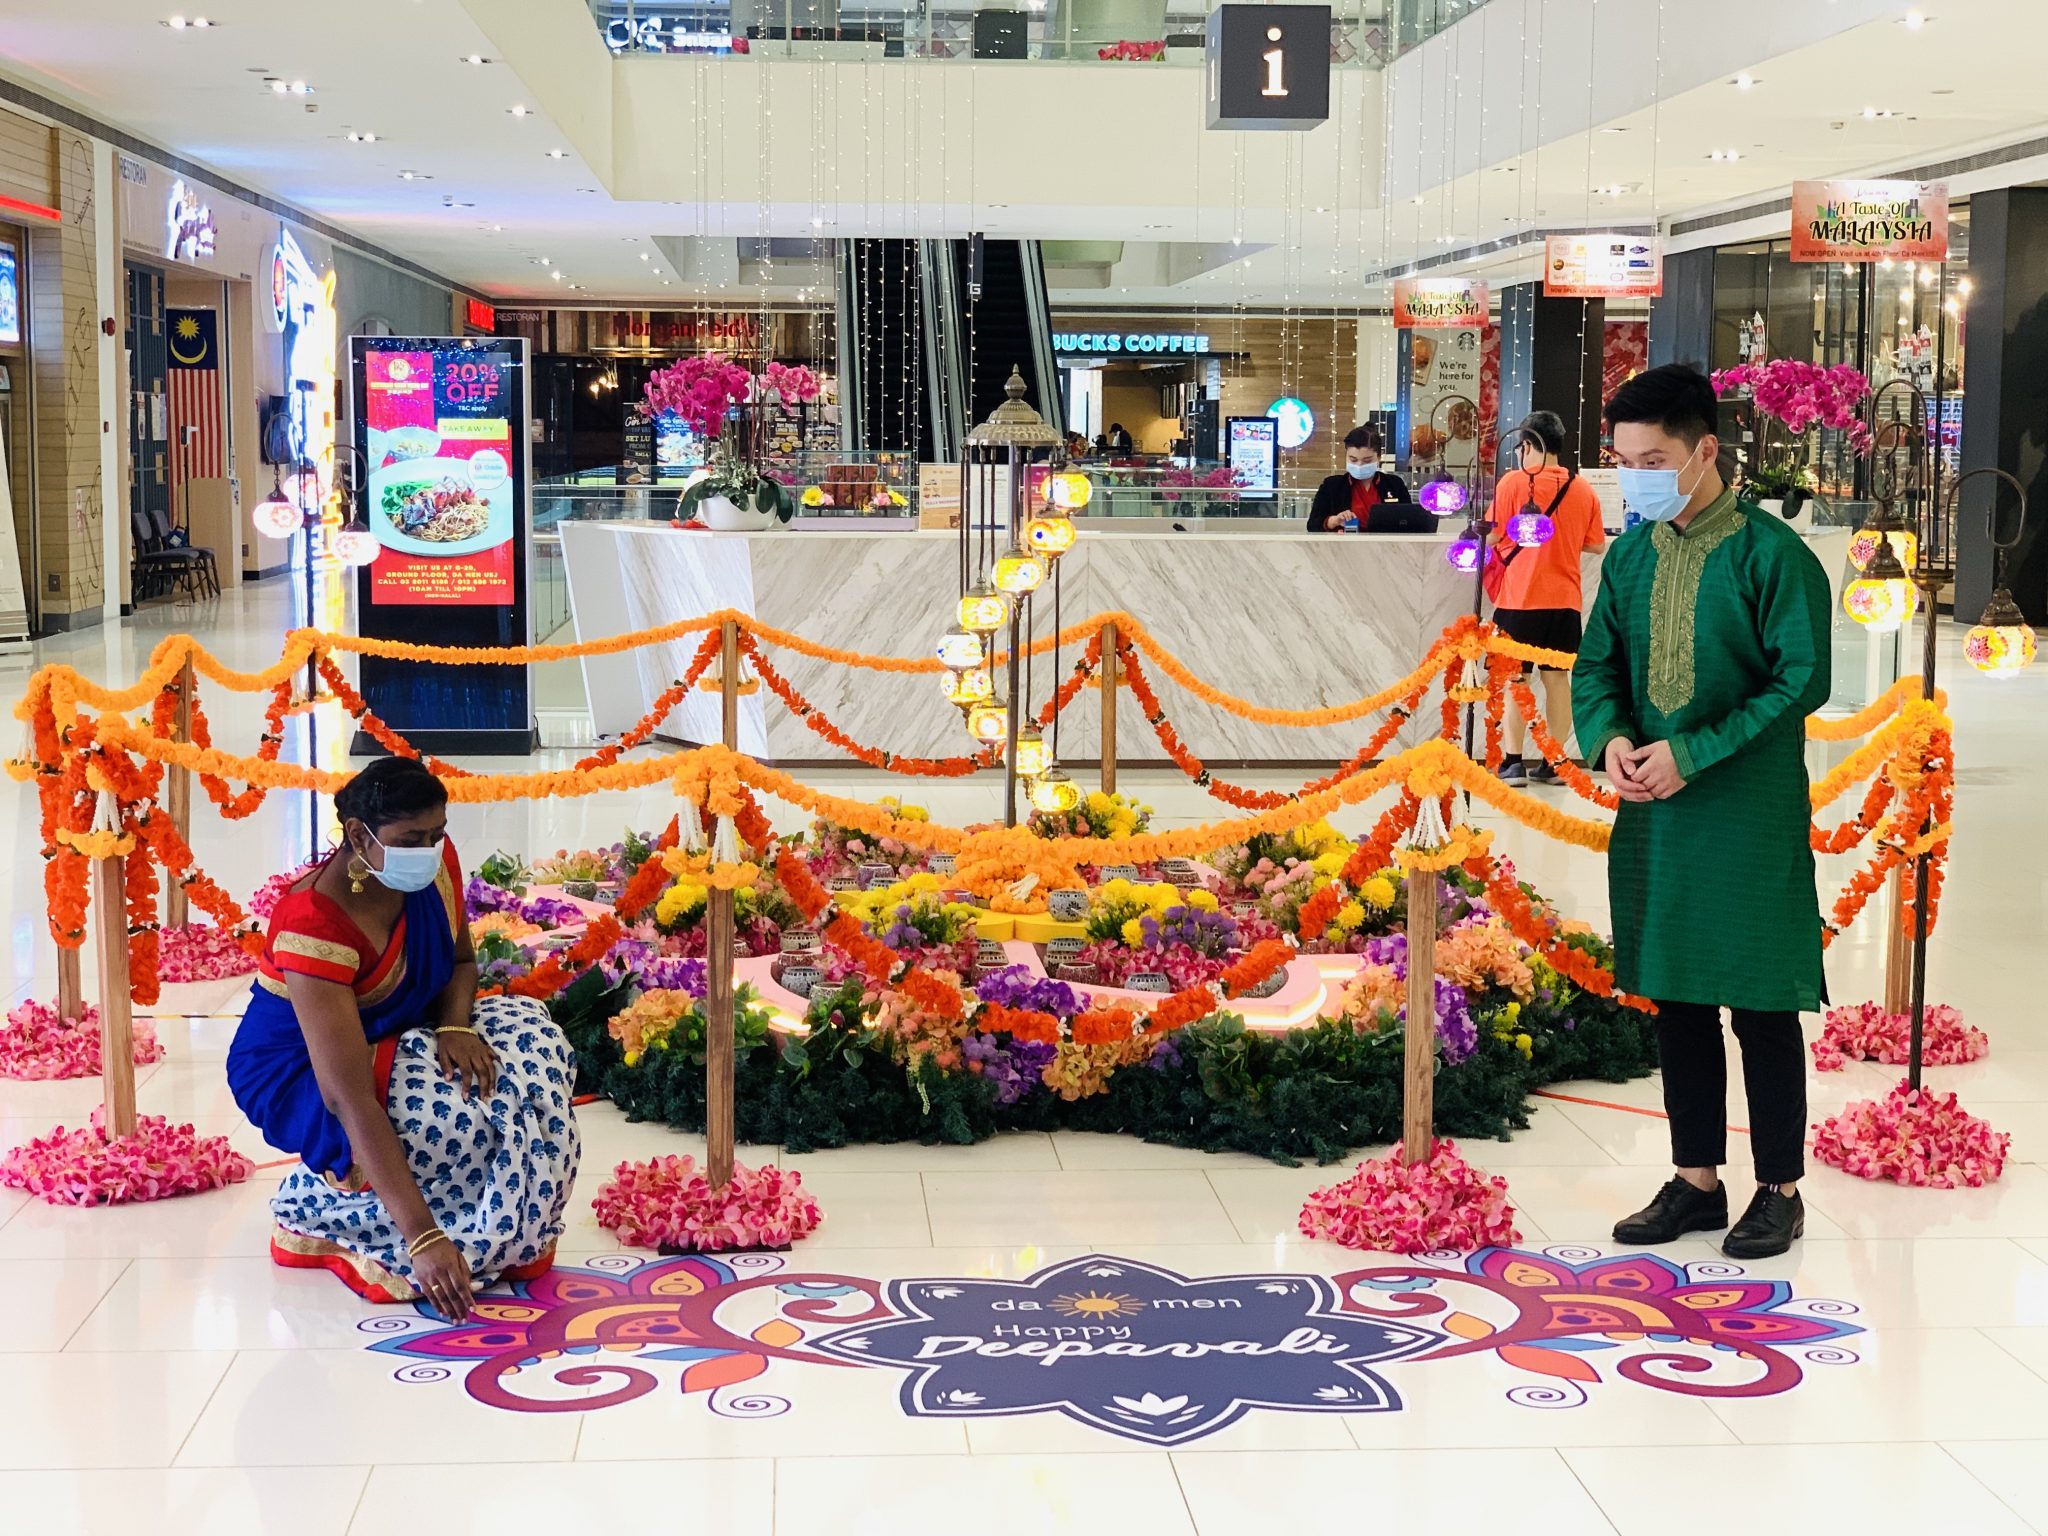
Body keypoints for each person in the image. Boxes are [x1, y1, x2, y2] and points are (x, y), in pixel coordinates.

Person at [1573, 363, 1831, 1261]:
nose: (1634, 476)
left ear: (1705, 451)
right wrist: (1609, 741)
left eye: (1651, 458)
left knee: (1760, 1004)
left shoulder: (1773, 556)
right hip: (1655, 813)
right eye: (1622, 459)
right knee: (1676, 998)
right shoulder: (1633, 554)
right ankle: (1695, 1182)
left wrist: (1693, 751)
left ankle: (1780, 1190)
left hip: (1746, 812)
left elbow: (1802, 680)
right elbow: (1596, 664)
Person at [227, 757, 581, 1318]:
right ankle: (398, 1227)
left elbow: (462, 961)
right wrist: (421, 1236)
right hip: (301, 1067)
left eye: (437, 833)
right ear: (358, 835)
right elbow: (345, 1094)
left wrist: (455, 1027)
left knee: (534, 1050)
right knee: (448, 1117)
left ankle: (494, 1224)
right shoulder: (313, 922)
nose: (430, 848)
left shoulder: (431, 864)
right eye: (410, 837)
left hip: (407, 1025)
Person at [1485, 410, 1607, 785]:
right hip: (1564, 602)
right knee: (1558, 681)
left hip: (1518, 601)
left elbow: (1489, 536)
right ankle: (1555, 763)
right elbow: (1597, 545)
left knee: (1515, 681)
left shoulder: (1512, 484)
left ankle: (1513, 762)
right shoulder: (1583, 489)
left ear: (1528, 446)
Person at [1308, 424, 1421, 532]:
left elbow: (1409, 522)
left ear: (1379, 457)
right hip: (1343, 548)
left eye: (1367, 460)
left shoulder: (1394, 484)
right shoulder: (1331, 486)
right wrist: (1333, 521)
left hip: (1386, 548)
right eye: (1353, 459)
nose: (1359, 465)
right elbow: (1312, 524)